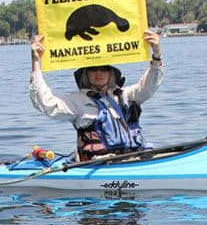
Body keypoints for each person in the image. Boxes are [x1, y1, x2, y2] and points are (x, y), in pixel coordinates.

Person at [29, 30, 164, 161]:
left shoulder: (126, 95)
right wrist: (36, 62)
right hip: (99, 164)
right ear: (86, 74)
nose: (99, 74)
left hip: (135, 159)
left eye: (104, 69)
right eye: (93, 69)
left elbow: (148, 87)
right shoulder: (77, 101)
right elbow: (45, 102)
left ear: (110, 73)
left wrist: (156, 55)